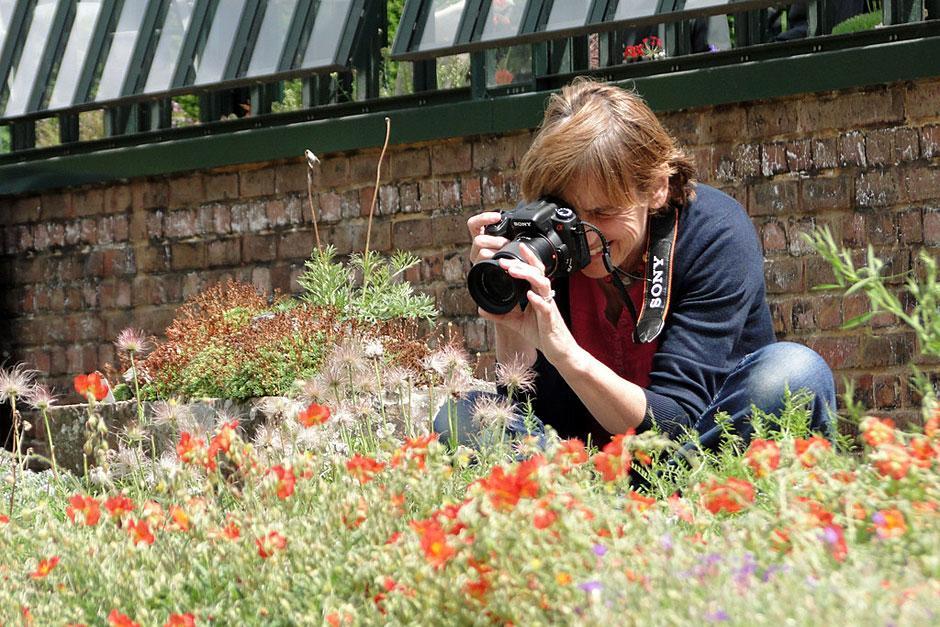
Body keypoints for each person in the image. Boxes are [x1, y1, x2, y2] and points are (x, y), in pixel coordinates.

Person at [437, 77, 835, 452]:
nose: (586, 234)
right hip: (584, 469)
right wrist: (512, 316)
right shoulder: (547, 244)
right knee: (464, 416)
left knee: (794, 371)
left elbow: (676, 422)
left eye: (604, 212)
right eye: (569, 214)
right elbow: (528, 410)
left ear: (657, 188)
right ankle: (580, 517)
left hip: (698, 458)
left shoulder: (713, 233)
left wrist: (566, 354)